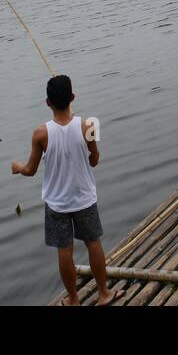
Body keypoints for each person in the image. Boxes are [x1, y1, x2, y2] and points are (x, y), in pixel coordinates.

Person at [11, 74, 117, 306]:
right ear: (73, 97)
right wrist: (90, 142)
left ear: (47, 102)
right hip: (84, 199)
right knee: (93, 243)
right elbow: (95, 160)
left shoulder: (41, 133)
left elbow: (30, 170)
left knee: (64, 250)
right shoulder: (88, 125)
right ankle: (103, 294)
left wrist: (17, 167)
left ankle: (73, 299)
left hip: (57, 203)